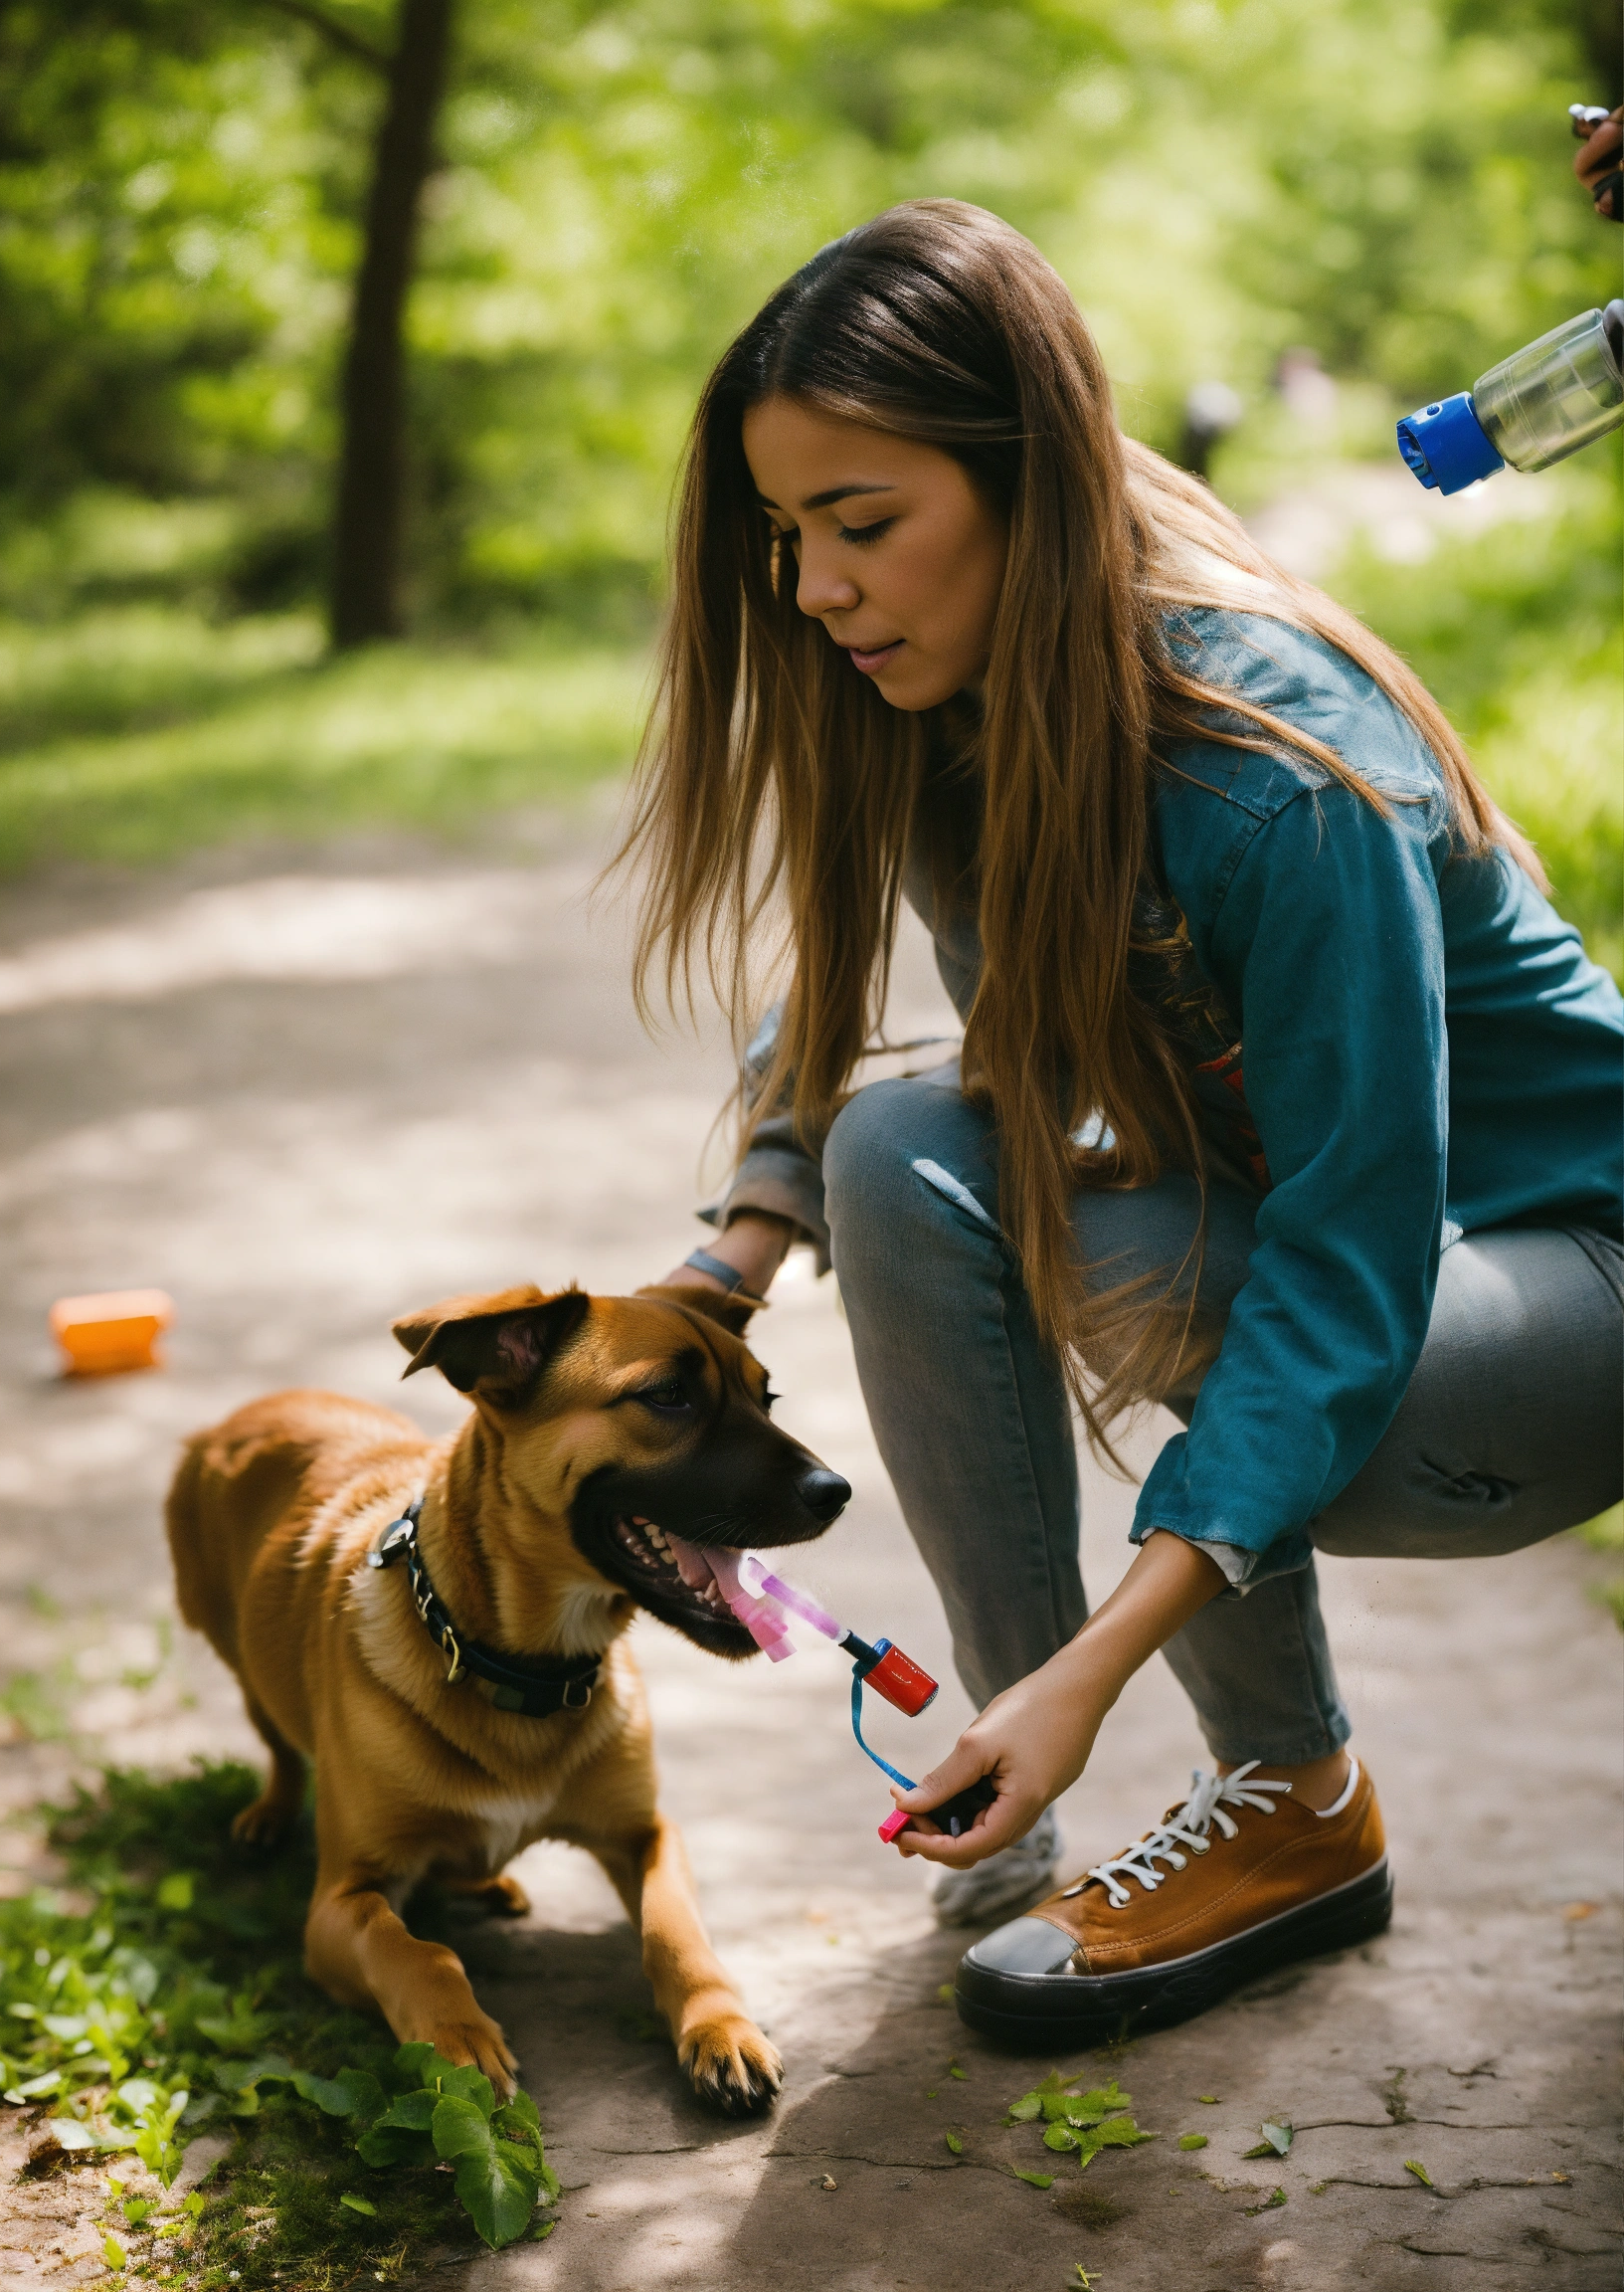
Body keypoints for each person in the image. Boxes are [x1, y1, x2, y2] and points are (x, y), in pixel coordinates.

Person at [620, 201, 1624, 2040]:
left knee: (1169, 1273)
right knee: (898, 1160)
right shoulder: (948, 698)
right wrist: (732, 1261)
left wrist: (1106, 1659)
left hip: (1564, 1282)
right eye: (787, 537)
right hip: (1369, 1258)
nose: (818, 588)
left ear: (1031, 480)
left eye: (863, 525)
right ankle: (1021, 1804)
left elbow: (1341, 1264)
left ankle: (1275, 1789)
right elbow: (839, 1007)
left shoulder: (1276, 775)